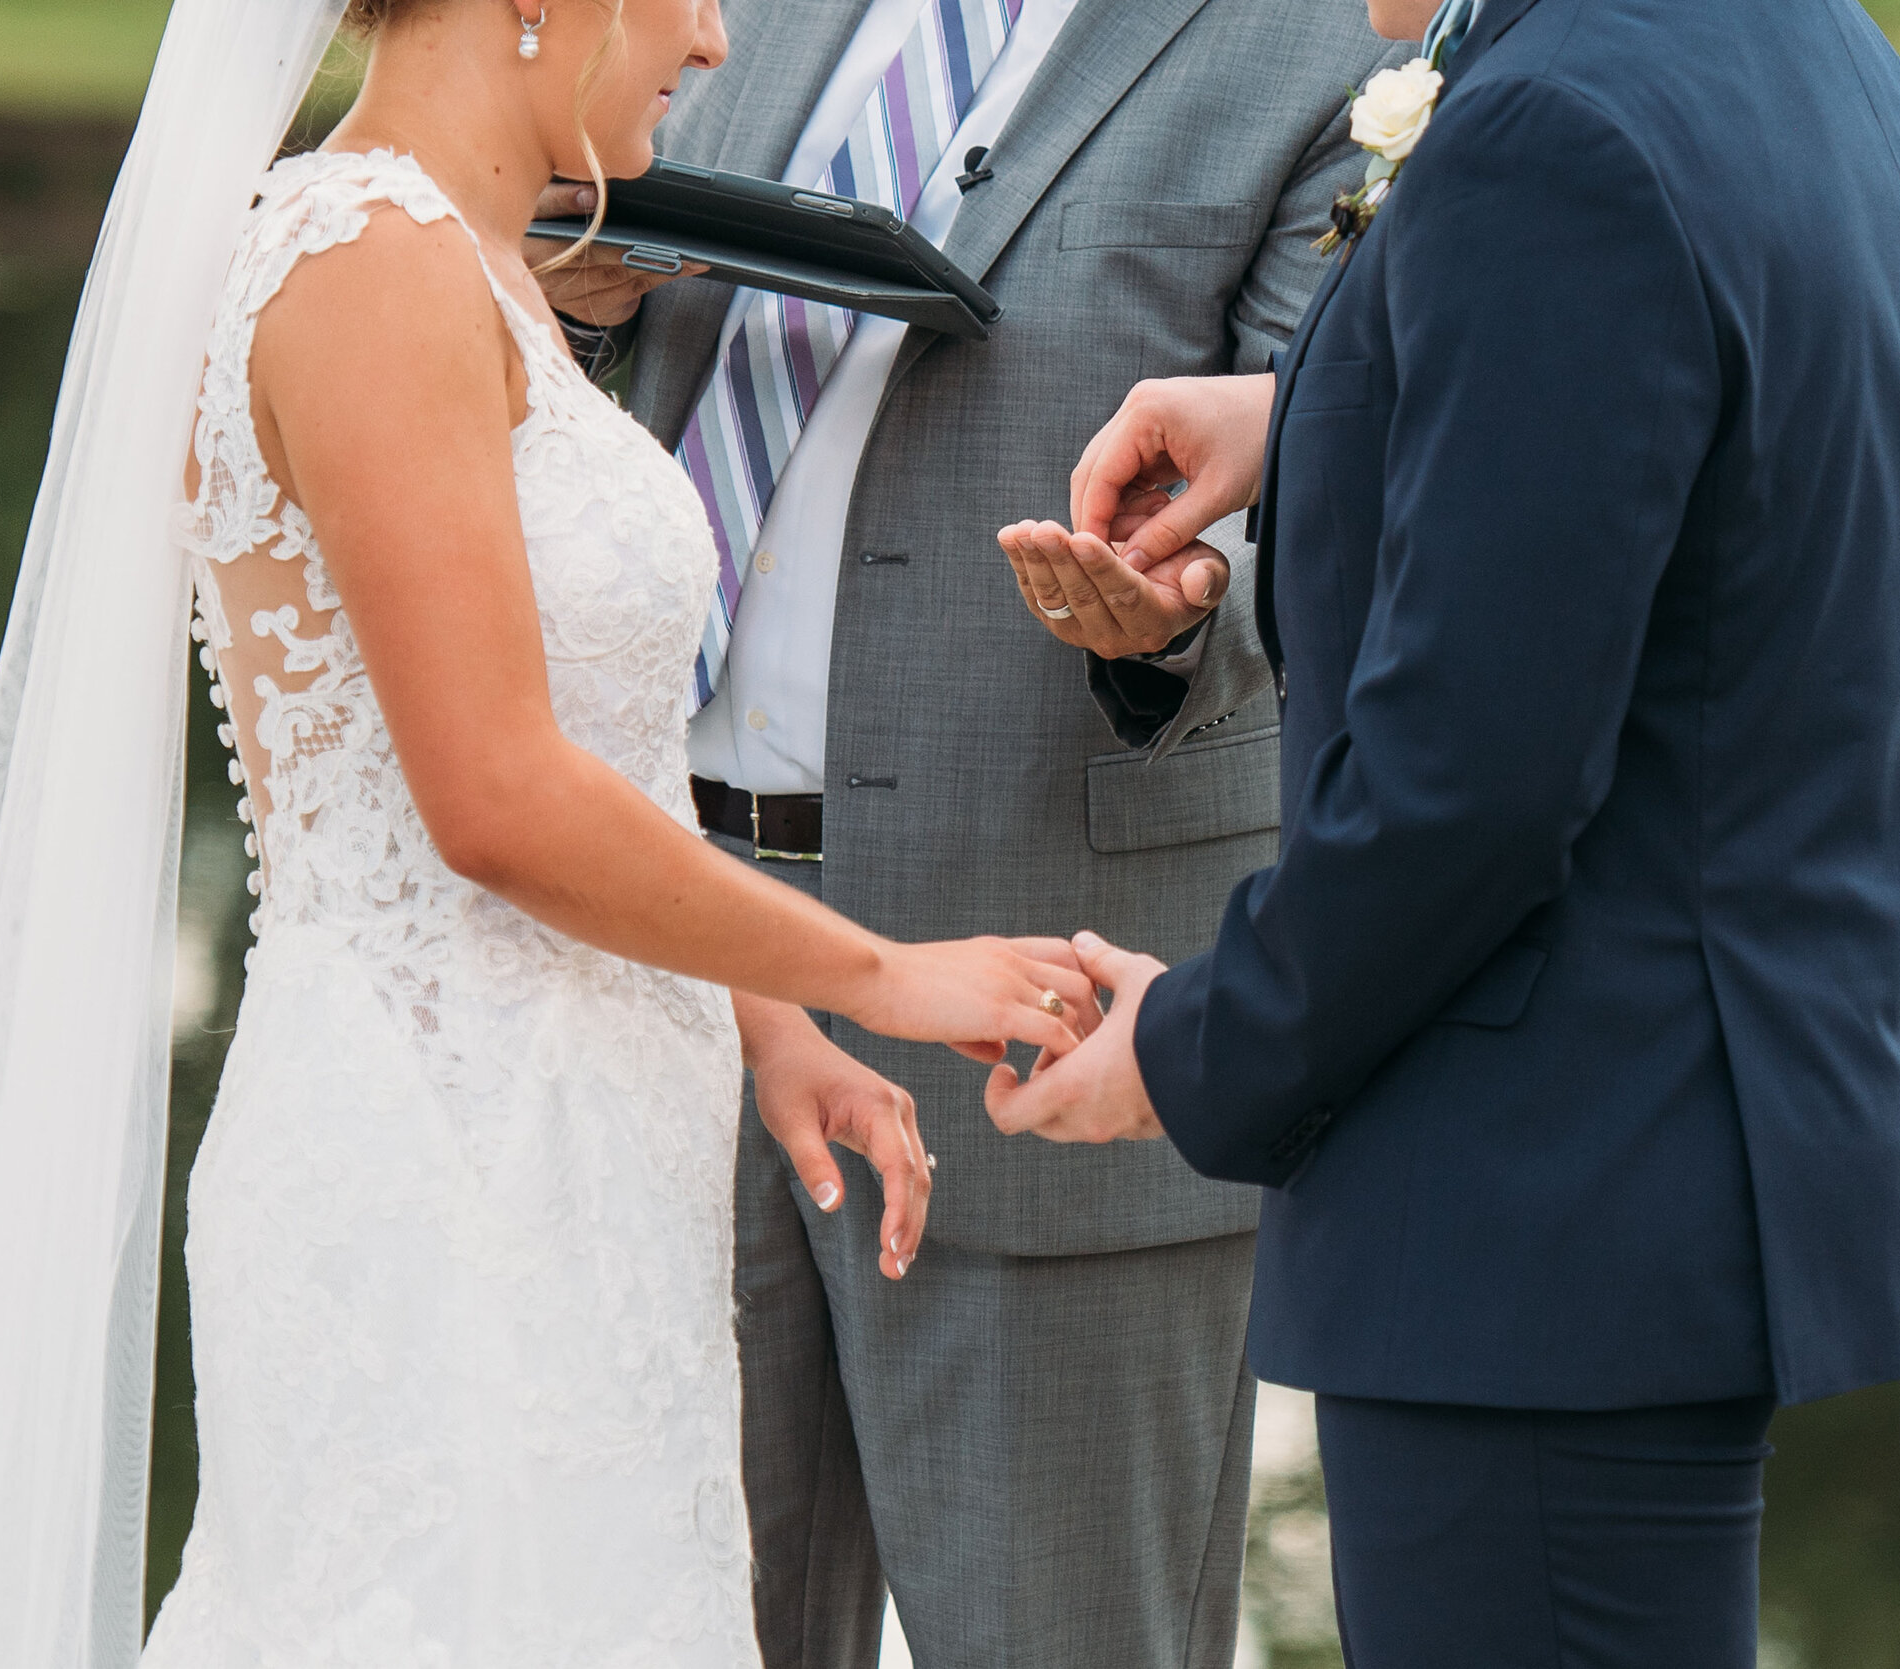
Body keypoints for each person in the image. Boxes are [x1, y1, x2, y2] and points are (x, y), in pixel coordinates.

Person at [0, 0, 1104, 1662]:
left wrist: (768, 1018)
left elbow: (578, 735)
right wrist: (883, 972)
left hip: (578, 1158)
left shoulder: (468, 258)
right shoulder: (360, 262)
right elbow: (491, 798)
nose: (717, 38)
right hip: (442, 1168)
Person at [986, 0, 1900, 1662]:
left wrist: (1192, 1044)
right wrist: (1314, 414)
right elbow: (1670, 444)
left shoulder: (1551, 133)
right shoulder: (1816, 53)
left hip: (1533, 1217)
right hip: (1702, 1145)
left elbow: (1468, 788)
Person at [528, 2, 1397, 1663]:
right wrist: (574, 306)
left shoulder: (1336, 43)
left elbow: (1356, 488)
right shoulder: (743, 12)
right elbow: (591, 352)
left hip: (1045, 1014)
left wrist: (1175, 614)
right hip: (656, 955)